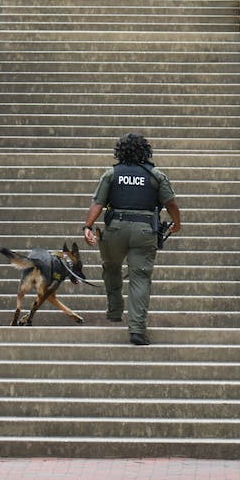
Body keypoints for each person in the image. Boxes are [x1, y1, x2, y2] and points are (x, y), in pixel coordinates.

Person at [82, 133, 182, 346]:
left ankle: (115, 311)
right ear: (145, 151)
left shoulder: (112, 174)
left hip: (115, 230)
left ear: (120, 152)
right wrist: (177, 223)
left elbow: (98, 203)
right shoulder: (156, 175)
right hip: (144, 231)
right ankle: (137, 329)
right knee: (140, 278)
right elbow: (171, 203)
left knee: (111, 267)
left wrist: (87, 226)